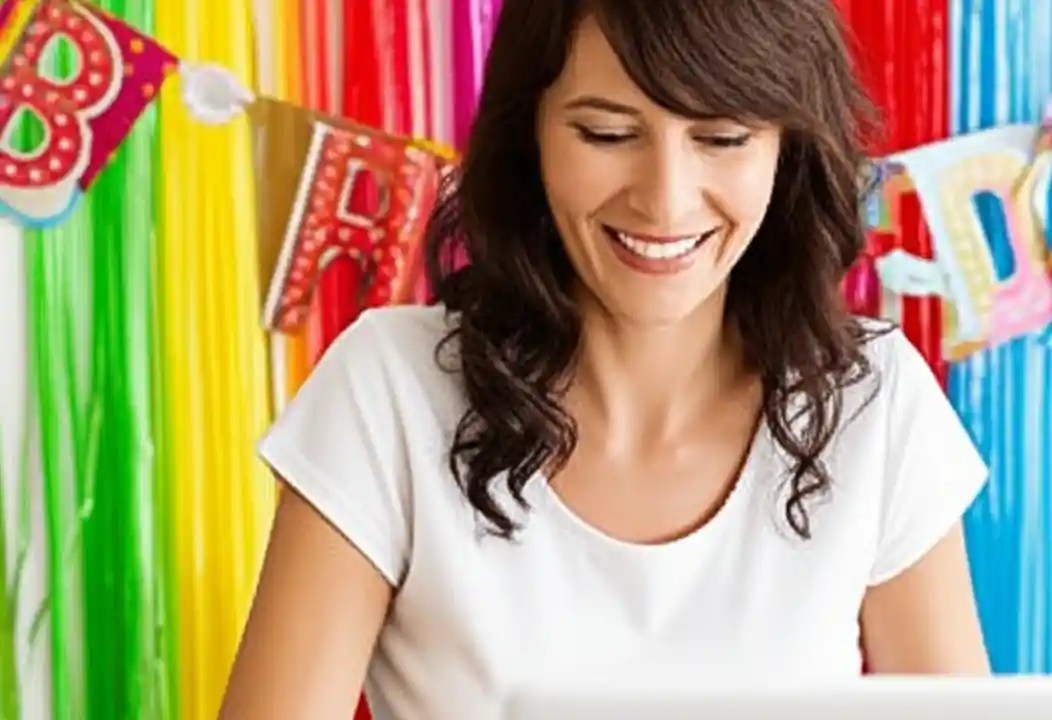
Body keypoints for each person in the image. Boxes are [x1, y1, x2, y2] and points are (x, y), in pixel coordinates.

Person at [219, 0, 991, 717]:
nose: (665, 200)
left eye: (722, 139)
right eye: (607, 134)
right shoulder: (389, 391)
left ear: (787, 149)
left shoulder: (874, 404)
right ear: (531, 134)